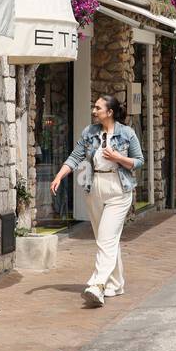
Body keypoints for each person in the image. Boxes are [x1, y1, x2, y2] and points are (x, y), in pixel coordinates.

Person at [50, 94, 144, 308]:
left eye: (98, 108)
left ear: (109, 112)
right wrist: (58, 176)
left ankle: (97, 285)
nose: (94, 111)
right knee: (107, 239)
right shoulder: (89, 132)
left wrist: (119, 158)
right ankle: (116, 284)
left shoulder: (126, 133)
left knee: (106, 238)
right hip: (95, 187)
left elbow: (139, 162)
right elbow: (75, 157)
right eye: (94, 107)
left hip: (119, 189)